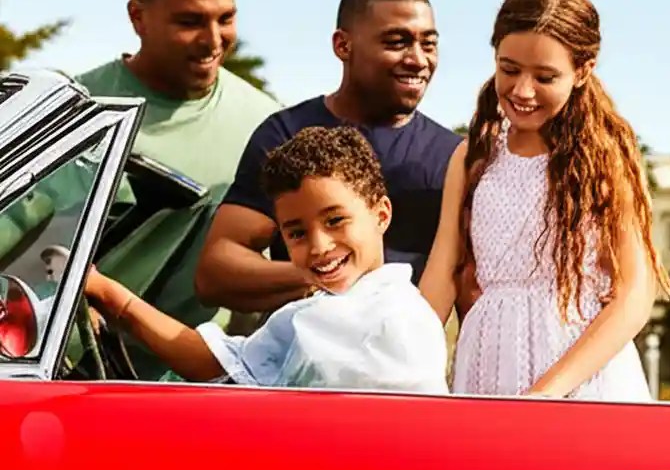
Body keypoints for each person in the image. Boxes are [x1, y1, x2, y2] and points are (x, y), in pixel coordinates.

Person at [420, 0, 670, 400]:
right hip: (488, 366)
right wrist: (403, 361)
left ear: (583, 71)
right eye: (509, 69)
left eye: (545, 77)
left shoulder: (605, 159)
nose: (522, 90)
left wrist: (547, 392)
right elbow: (443, 273)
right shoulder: (472, 157)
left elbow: (634, 293)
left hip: (584, 380)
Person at [84, 126, 449, 394]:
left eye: (335, 221)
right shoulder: (320, 312)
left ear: (381, 214)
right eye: (296, 233)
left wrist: (112, 296)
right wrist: (110, 295)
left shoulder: (394, 321)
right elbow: (215, 362)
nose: (319, 246)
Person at [194, 0, 464, 319]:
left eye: (428, 44)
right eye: (396, 42)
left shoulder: (455, 157)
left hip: (404, 368)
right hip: (296, 363)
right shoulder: (286, 134)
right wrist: (330, 271)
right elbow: (216, 273)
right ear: (343, 45)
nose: (418, 59)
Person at [75, 0, 281, 189]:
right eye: (190, 22)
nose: (213, 40)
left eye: (225, 19)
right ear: (138, 17)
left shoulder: (268, 128)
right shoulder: (76, 112)